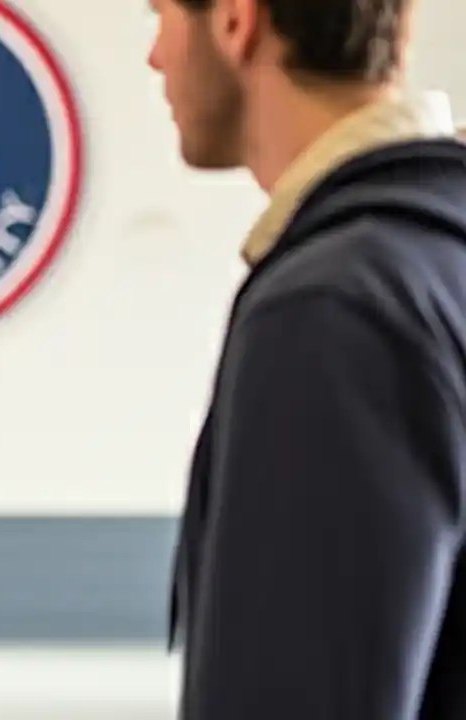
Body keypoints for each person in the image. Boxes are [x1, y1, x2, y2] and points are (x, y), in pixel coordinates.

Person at [147, 0, 466, 717]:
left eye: (160, 16)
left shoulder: (334, 309)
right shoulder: (438, 255)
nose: (155, 56)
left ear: (236, 21)